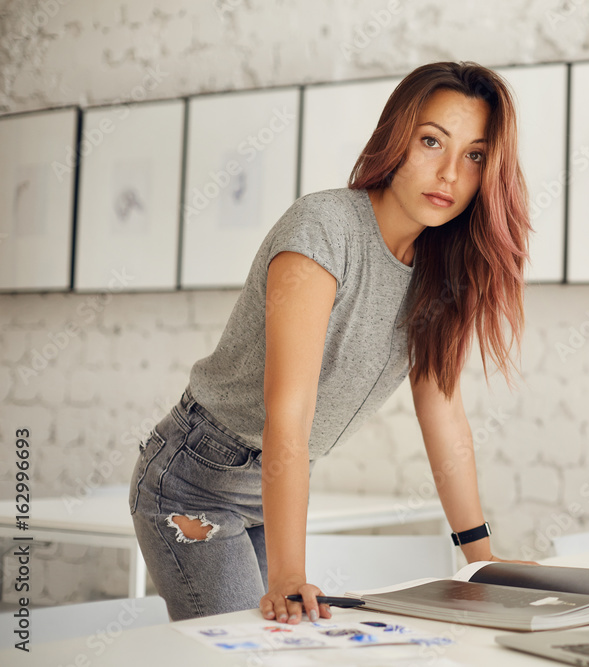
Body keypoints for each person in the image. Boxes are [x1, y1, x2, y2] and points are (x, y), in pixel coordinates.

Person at [128, 61, 533, 624]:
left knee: (284, 646)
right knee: (250, 654)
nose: (448, 173)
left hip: (273, 486)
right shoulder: (322, 229)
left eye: (474, 155)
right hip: (200, 480)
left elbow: (444, 414)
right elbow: (287, 415)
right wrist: (290, 574)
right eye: (432, 141)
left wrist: (480, 559)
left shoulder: (441, 270)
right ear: (396, 137)